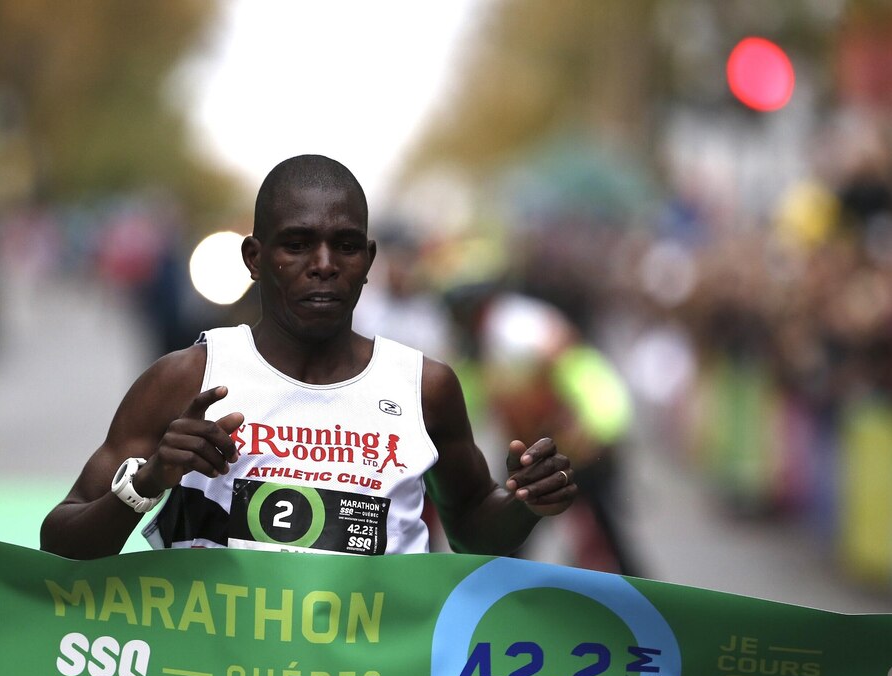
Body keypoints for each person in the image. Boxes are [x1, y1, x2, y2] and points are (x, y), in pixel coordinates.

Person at [41, 155, 576, 560]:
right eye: (296, 244)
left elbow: (473, 532)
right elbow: (59, 543)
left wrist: (526, 502)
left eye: (344, 246)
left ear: (367, 261)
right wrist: (148, 482)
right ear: (254, 258)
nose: (323, 265)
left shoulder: (423, 388)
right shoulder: (186, 379)